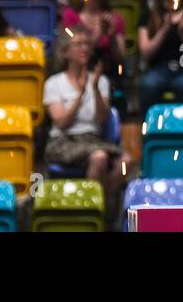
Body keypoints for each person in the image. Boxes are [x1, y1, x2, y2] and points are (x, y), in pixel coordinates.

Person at [44, 23, 130, 212]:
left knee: (126, 161)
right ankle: (95, 210)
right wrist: (81, 93)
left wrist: (95, 87)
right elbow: (62, 123)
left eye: (86, 45)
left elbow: (100, 119)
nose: (84, 48)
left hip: (92, 140)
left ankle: (97, 206)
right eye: (78, 44)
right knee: (99, 158)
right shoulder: (54, 83)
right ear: (66, 52)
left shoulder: (101, 81)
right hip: (63, 141)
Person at [60, 0, 127, 82]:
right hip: (77, 70)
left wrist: (112, 35)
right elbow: (70, 50)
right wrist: (100, 33)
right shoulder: (70, 16)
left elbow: (121, 56)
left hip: (107, 71)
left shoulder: (115, 18)